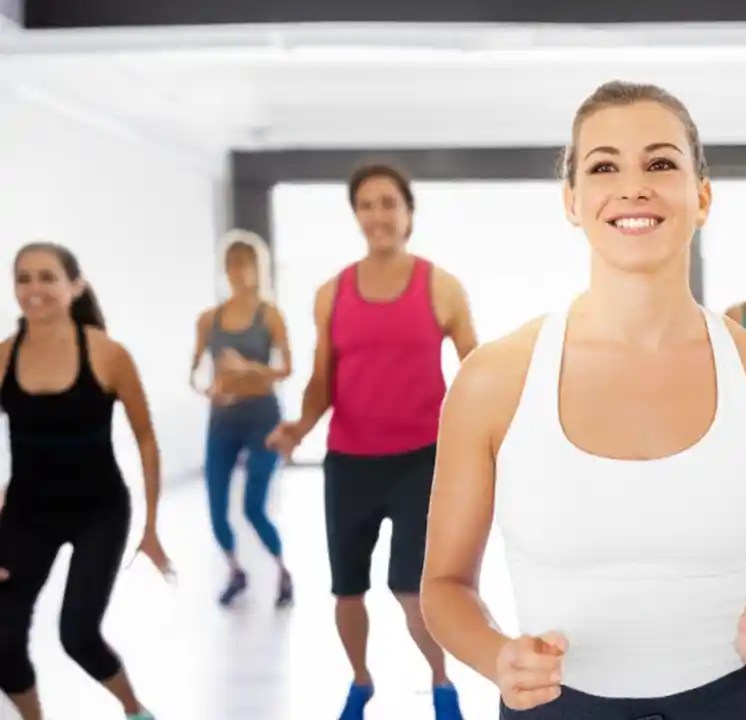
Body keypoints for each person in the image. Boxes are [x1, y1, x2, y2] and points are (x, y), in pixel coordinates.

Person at [420, 80, 746, 720]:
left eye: (660, 163)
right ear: (572, 201)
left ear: (702, 196)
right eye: (604, 166)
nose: (633, 186)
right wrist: (497, 657)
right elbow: (444, 586)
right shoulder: (494, 379)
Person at [266, 163, 476, 720]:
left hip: (421, 461)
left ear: (408, 213)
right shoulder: (331, 293)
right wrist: (297, 429)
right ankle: (360, 682)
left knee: (412, 589)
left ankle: (441, 682)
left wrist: (492, 441)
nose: (378, 215)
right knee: (347, 591)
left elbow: (477, 371)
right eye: (367, 204)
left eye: (389, 203)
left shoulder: (442, 286)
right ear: (355, 214)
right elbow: (322, 379)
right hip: (350, 462)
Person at [0, 243, 171, 720]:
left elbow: (146, 439)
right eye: (24, 278)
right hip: (28, 512)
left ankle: (135, 711)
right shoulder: (3, 357)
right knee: (2, 636)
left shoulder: (108, 355)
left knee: (77, 634)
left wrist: (152, 527)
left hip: (99, 510)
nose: (35, 289)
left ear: (74, 286)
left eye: (47, 277)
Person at [189, 231, 293, 608]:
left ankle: (283, 572)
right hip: (223, 420)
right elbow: (195, 373)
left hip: (262, 417)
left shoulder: (270, 316)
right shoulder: (208, 319)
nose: (237, 272)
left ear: (257, 269)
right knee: (216, 507)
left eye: (245, 264)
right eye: (231, 264)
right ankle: (235, 570)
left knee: (253, 507)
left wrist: (248, 368)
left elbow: (286, 369)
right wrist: (209, 389)